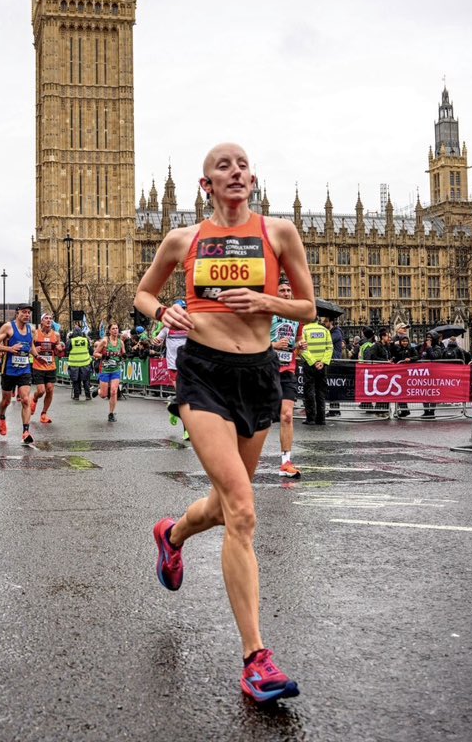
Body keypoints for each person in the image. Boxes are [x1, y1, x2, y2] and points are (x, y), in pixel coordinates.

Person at [134, 142, 314, 703]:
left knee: (220, 505)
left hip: (257, 374)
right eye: (222, 166)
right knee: (241, 507)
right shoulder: (183, 240)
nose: (234, 171)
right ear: (205, 184)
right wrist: (164, 310)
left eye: (242, 165)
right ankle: (256, 658)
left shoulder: (279, 233)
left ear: (253, 179)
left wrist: (267, 301)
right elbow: (142, 292)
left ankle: (173, 533)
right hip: (203, 375)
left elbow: (308, 306)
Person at [270, 280, 304, 477]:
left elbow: (298, 339)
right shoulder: (267, 312)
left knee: (288, 415)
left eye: (289, 290)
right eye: (282, 289)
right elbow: (253, 338)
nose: (286, 292)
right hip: (265, 369)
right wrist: (273, 345)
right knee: (257, 417)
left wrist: (301, 344)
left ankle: (286, 462)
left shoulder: (296, 315)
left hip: (288, 370)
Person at [0, 304, 38, 444]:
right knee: (6, 401)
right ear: (17, 313)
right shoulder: (8, 327)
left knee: (25, 399)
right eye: (24, 312)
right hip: (9, 370)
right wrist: (9, 349)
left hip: (24, 370)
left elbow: (30, 346)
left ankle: (25, 431)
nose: (27, 315)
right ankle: (2, 416)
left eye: (29, 313)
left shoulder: (31, 329)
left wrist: (37, 356)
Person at [153, 300, 190, 440]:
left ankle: (173, 406)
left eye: (185, 309)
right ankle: (187, 429)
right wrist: (156, 341)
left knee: (186, 396)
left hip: (187, 366)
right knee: (183, 396)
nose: (183, 312)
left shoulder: (189, 326)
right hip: (173, 366)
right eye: (181, 309)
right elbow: (157, 340)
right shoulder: (167, 328)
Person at [31, 313, 64, 423]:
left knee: (50, 389)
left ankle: (44, 414)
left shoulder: (56, 335)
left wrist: (59, 349)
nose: (49, 320)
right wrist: (36, 350)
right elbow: (29, 347)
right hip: (38, 366)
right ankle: (34, 399)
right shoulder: (35, 333)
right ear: (42, 321)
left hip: (51, 366)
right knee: (41, 391)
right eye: (46, 318)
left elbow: (58, 351)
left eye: (50, 319)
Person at [300, 316, 333, 426]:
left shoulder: (304, 330)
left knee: (309, 391)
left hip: (310, 364)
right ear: (317, 320)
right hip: (322, 365)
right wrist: (322, 362)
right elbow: (329, 348)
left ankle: (311, 418)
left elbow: (303, 349)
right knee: (320, 392)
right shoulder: (325, 330)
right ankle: (321, 418)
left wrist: (313, 362)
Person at [93, 322, 125, 422]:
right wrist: (103, 356)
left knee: (114, 391)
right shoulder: (105, 341)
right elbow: (95, 353)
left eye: (117, 328)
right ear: (109, 331)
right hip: (105, 370)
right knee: (103, 395)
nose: (115, 330)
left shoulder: (121, 342)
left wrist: (123, 356)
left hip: (115, 369)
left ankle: (111, 413)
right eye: (113, 329)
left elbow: (123, 353)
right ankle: (98, 390)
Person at [419, 330, 444, 417]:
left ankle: (432, 411)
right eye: (427, 337)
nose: (428, 339)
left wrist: (429, 348)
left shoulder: (437, 347)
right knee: (424, 392)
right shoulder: (423, 347)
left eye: (430, 338)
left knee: (432, 393)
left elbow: (435, 356)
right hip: (424, 373)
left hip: (434, 373)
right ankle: (426, 411)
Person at [67, 323, 93, 399]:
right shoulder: (86, 340)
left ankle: (76, 396)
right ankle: (88, 396)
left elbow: (67, 350)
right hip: (85, 363)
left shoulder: (71, 341)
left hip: (74, 364)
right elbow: (90, 350)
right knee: (86, 381)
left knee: (76, 381)